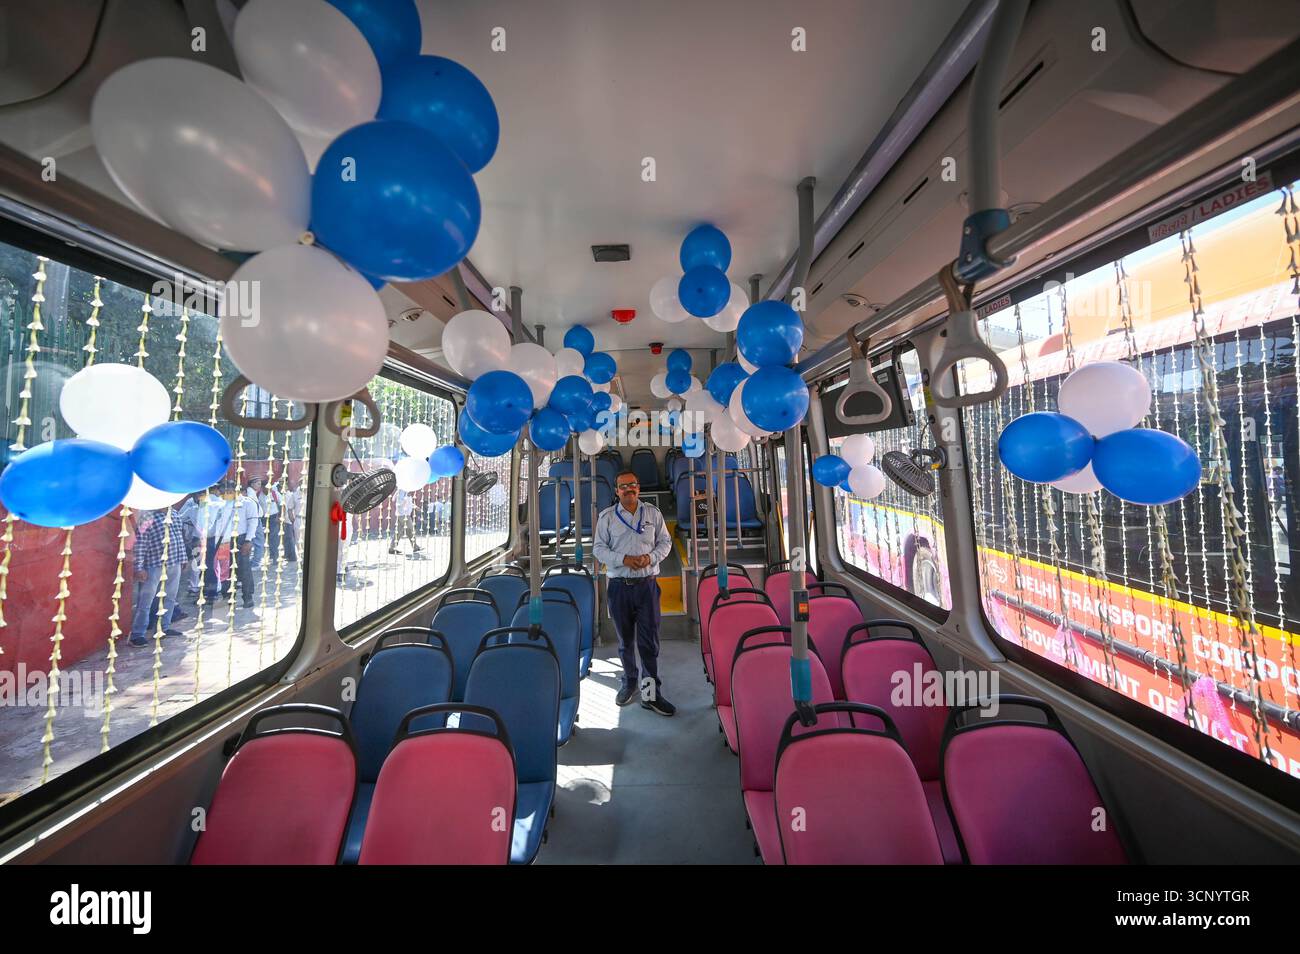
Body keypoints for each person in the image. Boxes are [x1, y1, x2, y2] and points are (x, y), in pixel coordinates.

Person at [593, 470, 675, 715]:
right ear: (616, 491)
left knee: (648, 643)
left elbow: (666, 542)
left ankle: (650, 693)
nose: (629, 489)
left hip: (647, 585)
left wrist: (650, 558)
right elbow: (599, 548)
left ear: (639, 487)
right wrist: (623, 560)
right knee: (625, 641)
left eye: (633, 485)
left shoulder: (653, 514)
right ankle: (629, 681)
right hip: (619, 588)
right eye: (623, 486)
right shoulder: (606, 517)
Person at [128, 509, 188, 647]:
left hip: (175, 562)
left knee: (170, 598)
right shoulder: (148, 516)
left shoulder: (174, 514)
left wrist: (183, 558)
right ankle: (137, 634)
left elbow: (179, 537)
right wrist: (139, 567)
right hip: (153, 565)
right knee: (145, 601)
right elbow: (141, 542)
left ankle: (163, 628)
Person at [390, 489, 422, 556]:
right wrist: (406, 497)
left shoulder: (406, 491)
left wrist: (415, 507)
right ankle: (415, 547)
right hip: (403, 514)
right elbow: (399, 503)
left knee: (398, 532)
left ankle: (391, 548)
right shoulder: (401, 491)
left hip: (403, 514)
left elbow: (408, 503)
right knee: (411, 530)